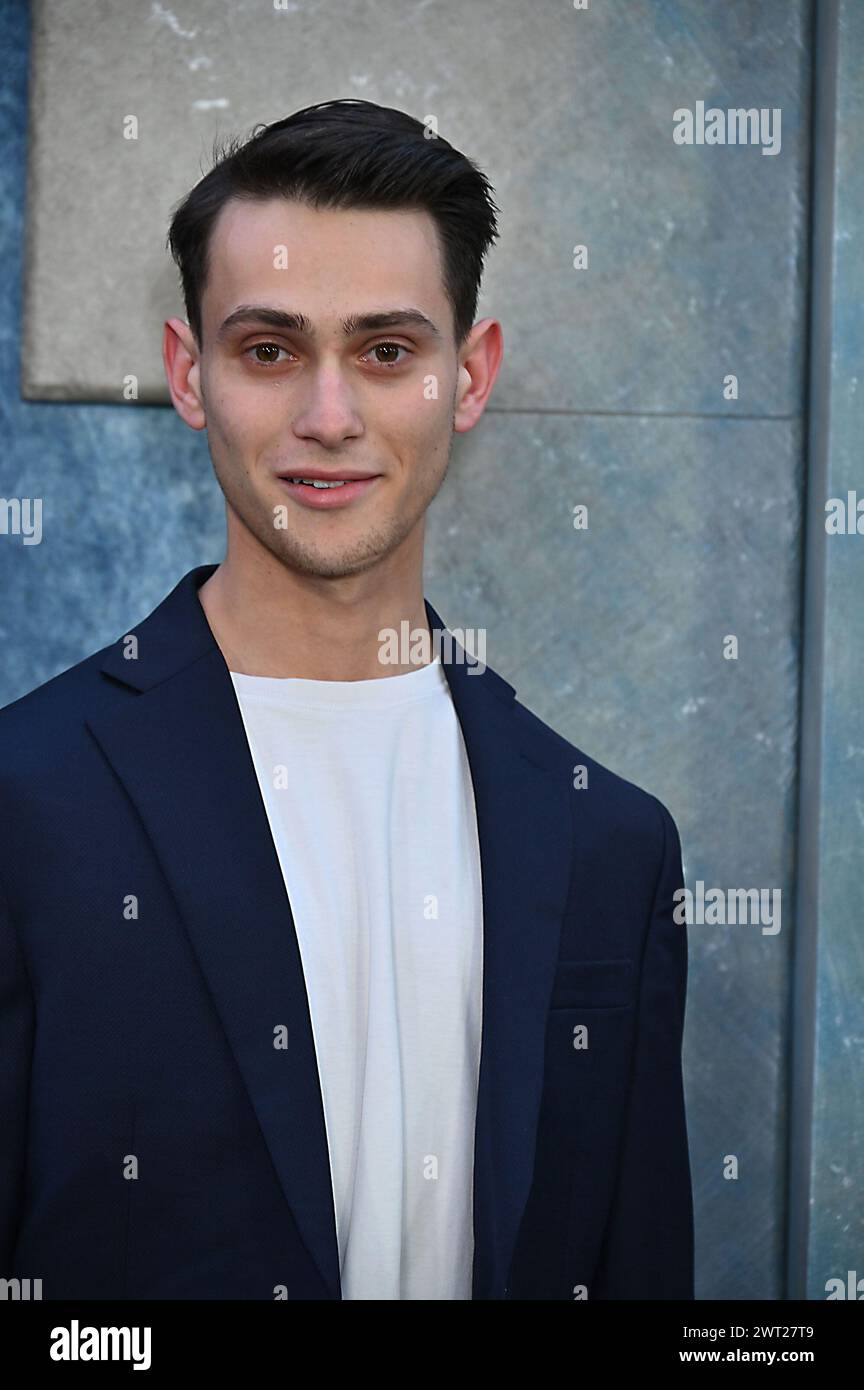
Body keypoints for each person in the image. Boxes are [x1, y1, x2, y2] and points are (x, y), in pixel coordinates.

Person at [0, 99, 693, 1300]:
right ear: (189, 372)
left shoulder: (609, 844)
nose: (329, 418)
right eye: (270, 349)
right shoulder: (26, 801)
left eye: (386, 351)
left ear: (467, 377)